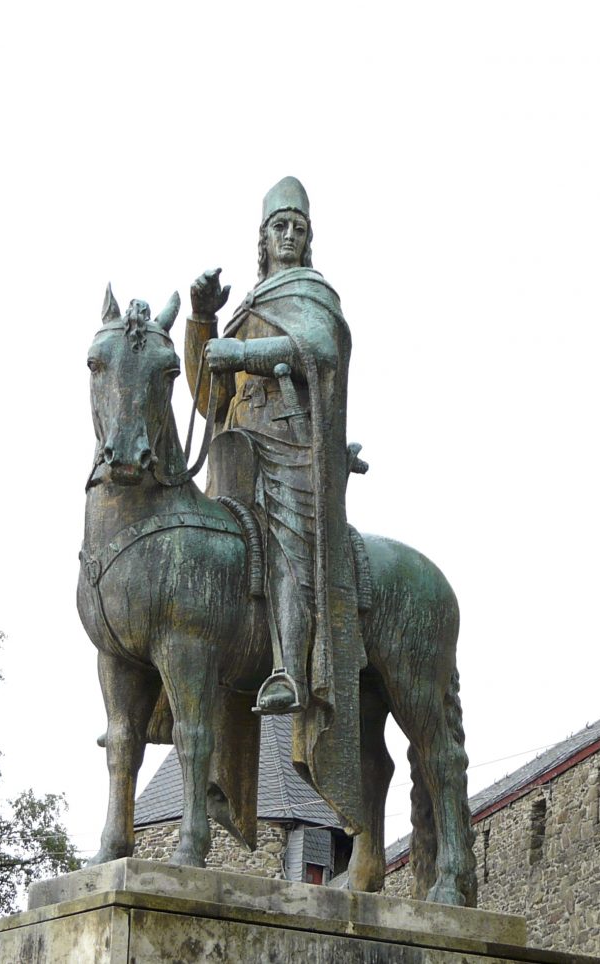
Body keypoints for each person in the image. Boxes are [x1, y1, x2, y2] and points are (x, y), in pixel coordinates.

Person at [183, 177, 366, 787]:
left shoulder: (312, 293)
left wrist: (241, 356)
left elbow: (320, 348)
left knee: (289, 547)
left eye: (299, 228)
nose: (289, 236)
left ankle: (289, 668)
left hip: (291, 447)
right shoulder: (244, 307)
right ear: (261, 239)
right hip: (236, 444)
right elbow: (209, 394)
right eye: (279, 227)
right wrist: (203, 320)